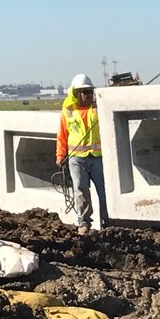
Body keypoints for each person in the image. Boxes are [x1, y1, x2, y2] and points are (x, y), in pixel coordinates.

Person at [55, 75, 106, 232]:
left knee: (105, 190)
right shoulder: (68, 111)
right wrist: (60, 155)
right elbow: (62, 135)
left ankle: (108, 221)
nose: (89, 95)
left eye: (91, 91)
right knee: (80, 190)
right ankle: (83, 222)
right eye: (85, 92)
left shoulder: (99, 108)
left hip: (98, 157)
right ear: (76, 93)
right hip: (77, 158)